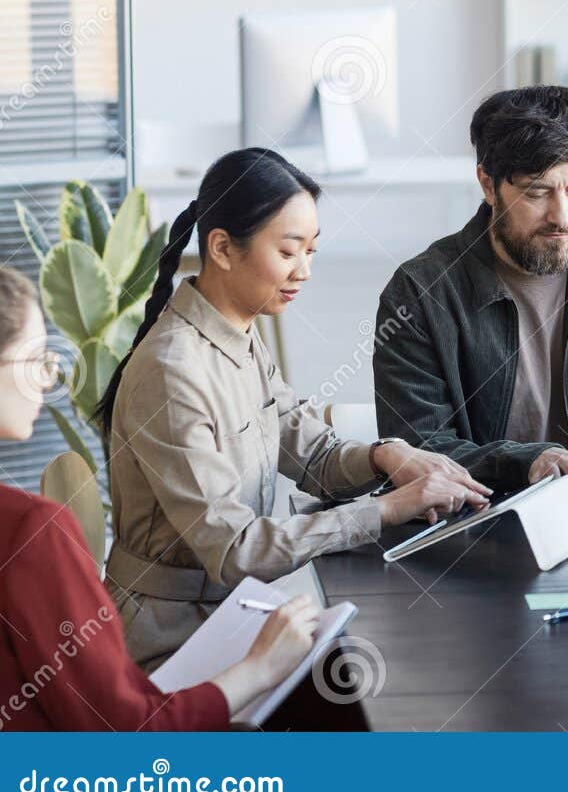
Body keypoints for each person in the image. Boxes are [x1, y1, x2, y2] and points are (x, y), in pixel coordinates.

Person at [99, 148, 491, 669]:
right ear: (222, 248)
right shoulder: (173, 371)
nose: (304, 270)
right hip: (170, 642)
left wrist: (386, 456)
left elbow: (303, 443)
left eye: (312, 250)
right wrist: (388, 508)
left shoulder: (236, 330)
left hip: (224, 614)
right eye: (288, 252)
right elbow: (236, 550)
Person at [0, 264, 328, 729]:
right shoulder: (28, 532)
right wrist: (260, 668)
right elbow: (128, 733)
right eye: (34, 360)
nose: (49, 379)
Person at [374, 86, 568, 492]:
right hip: (480, 521)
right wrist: (528, 461)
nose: (562, 216)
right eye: (537, 192)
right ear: (488, 184)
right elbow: (419, 449)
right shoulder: (419, 293)